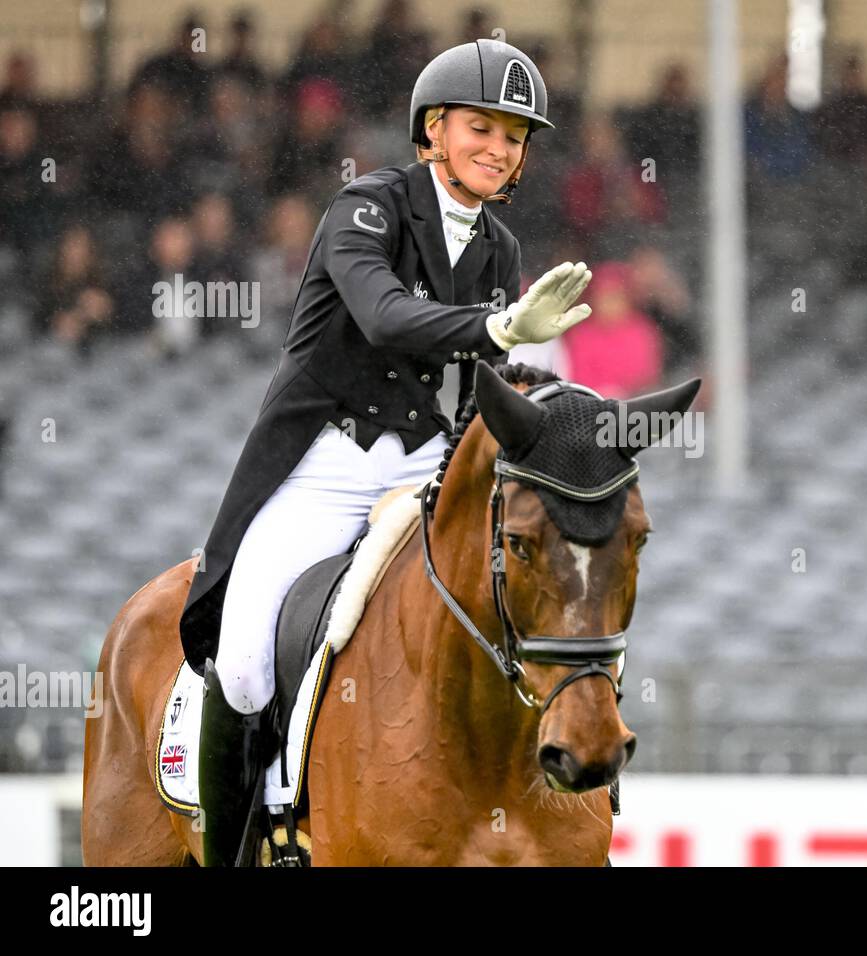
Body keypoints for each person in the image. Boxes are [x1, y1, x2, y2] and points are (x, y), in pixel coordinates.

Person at [180, 39, 594, 866]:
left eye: (514, 137)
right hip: (321, 461)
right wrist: (500, 327)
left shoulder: (500, 252)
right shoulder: (364, 208)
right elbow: (385, 316)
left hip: (419, 464)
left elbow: (483, 386)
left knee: (526, 596)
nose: (498, 149)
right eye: (482, 127)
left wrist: (564, 416)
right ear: (434, 130)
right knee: (248, 658)